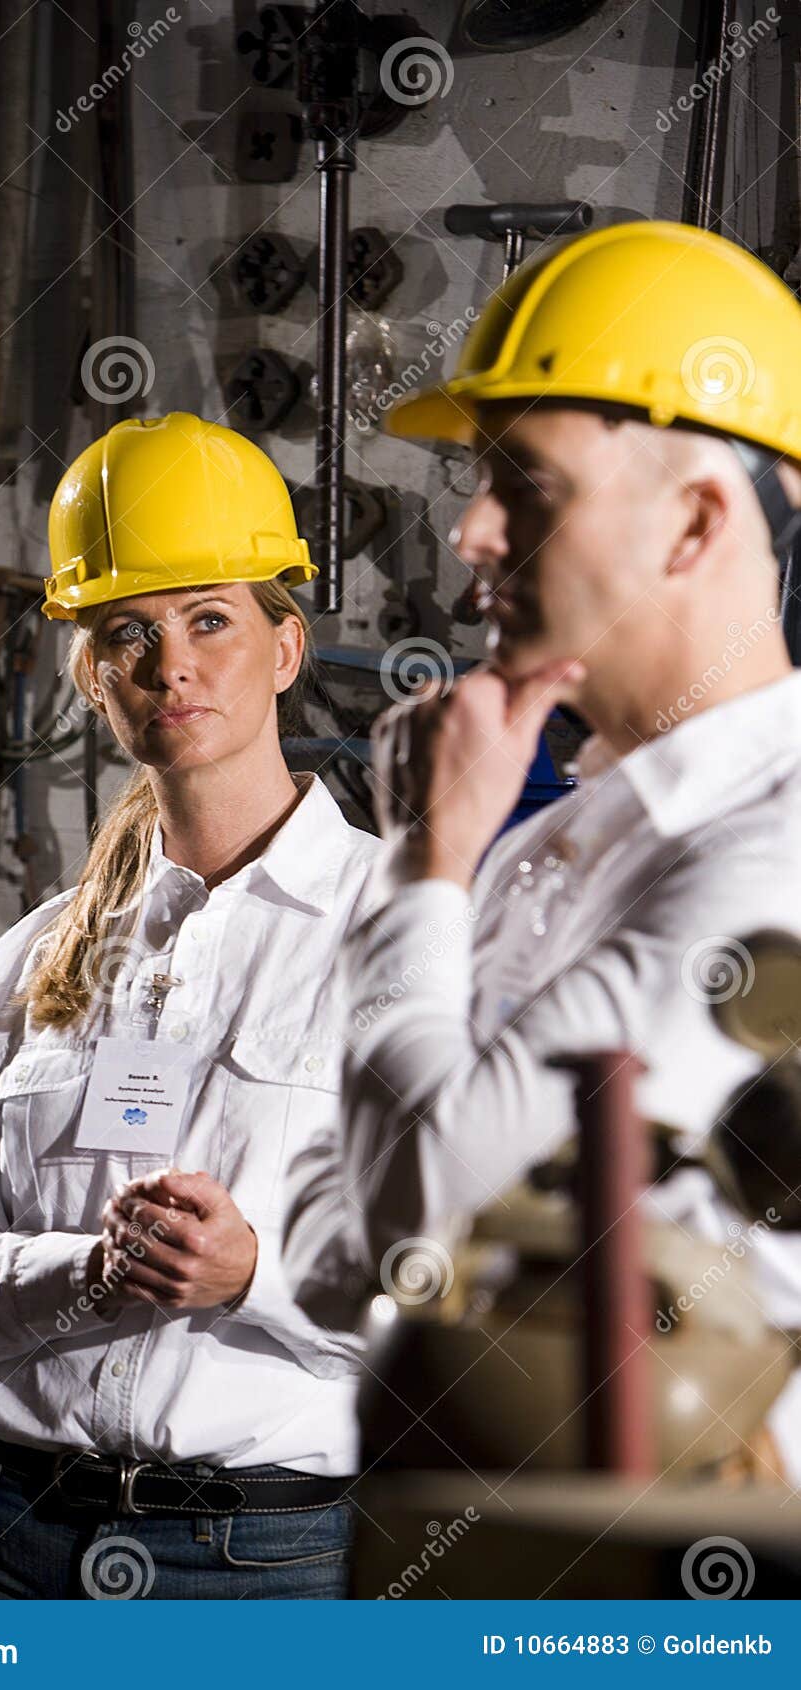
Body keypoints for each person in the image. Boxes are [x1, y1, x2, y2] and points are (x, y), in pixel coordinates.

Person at [283, 220, 801, 1480]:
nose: (469, 532)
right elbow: (313, 1212)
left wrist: (418, 866)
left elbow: (415, 1216)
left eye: (523, 483)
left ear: (690, 524)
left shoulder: (772, 852)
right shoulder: (556, 833)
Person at [0, 412, 381, 1600]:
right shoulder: (26, 968)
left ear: (286, 649)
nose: (172, 664)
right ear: (92, 677)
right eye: (126, 633)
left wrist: (259, 1270)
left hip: (243, 1561)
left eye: (211, 619)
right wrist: (81, 1277)